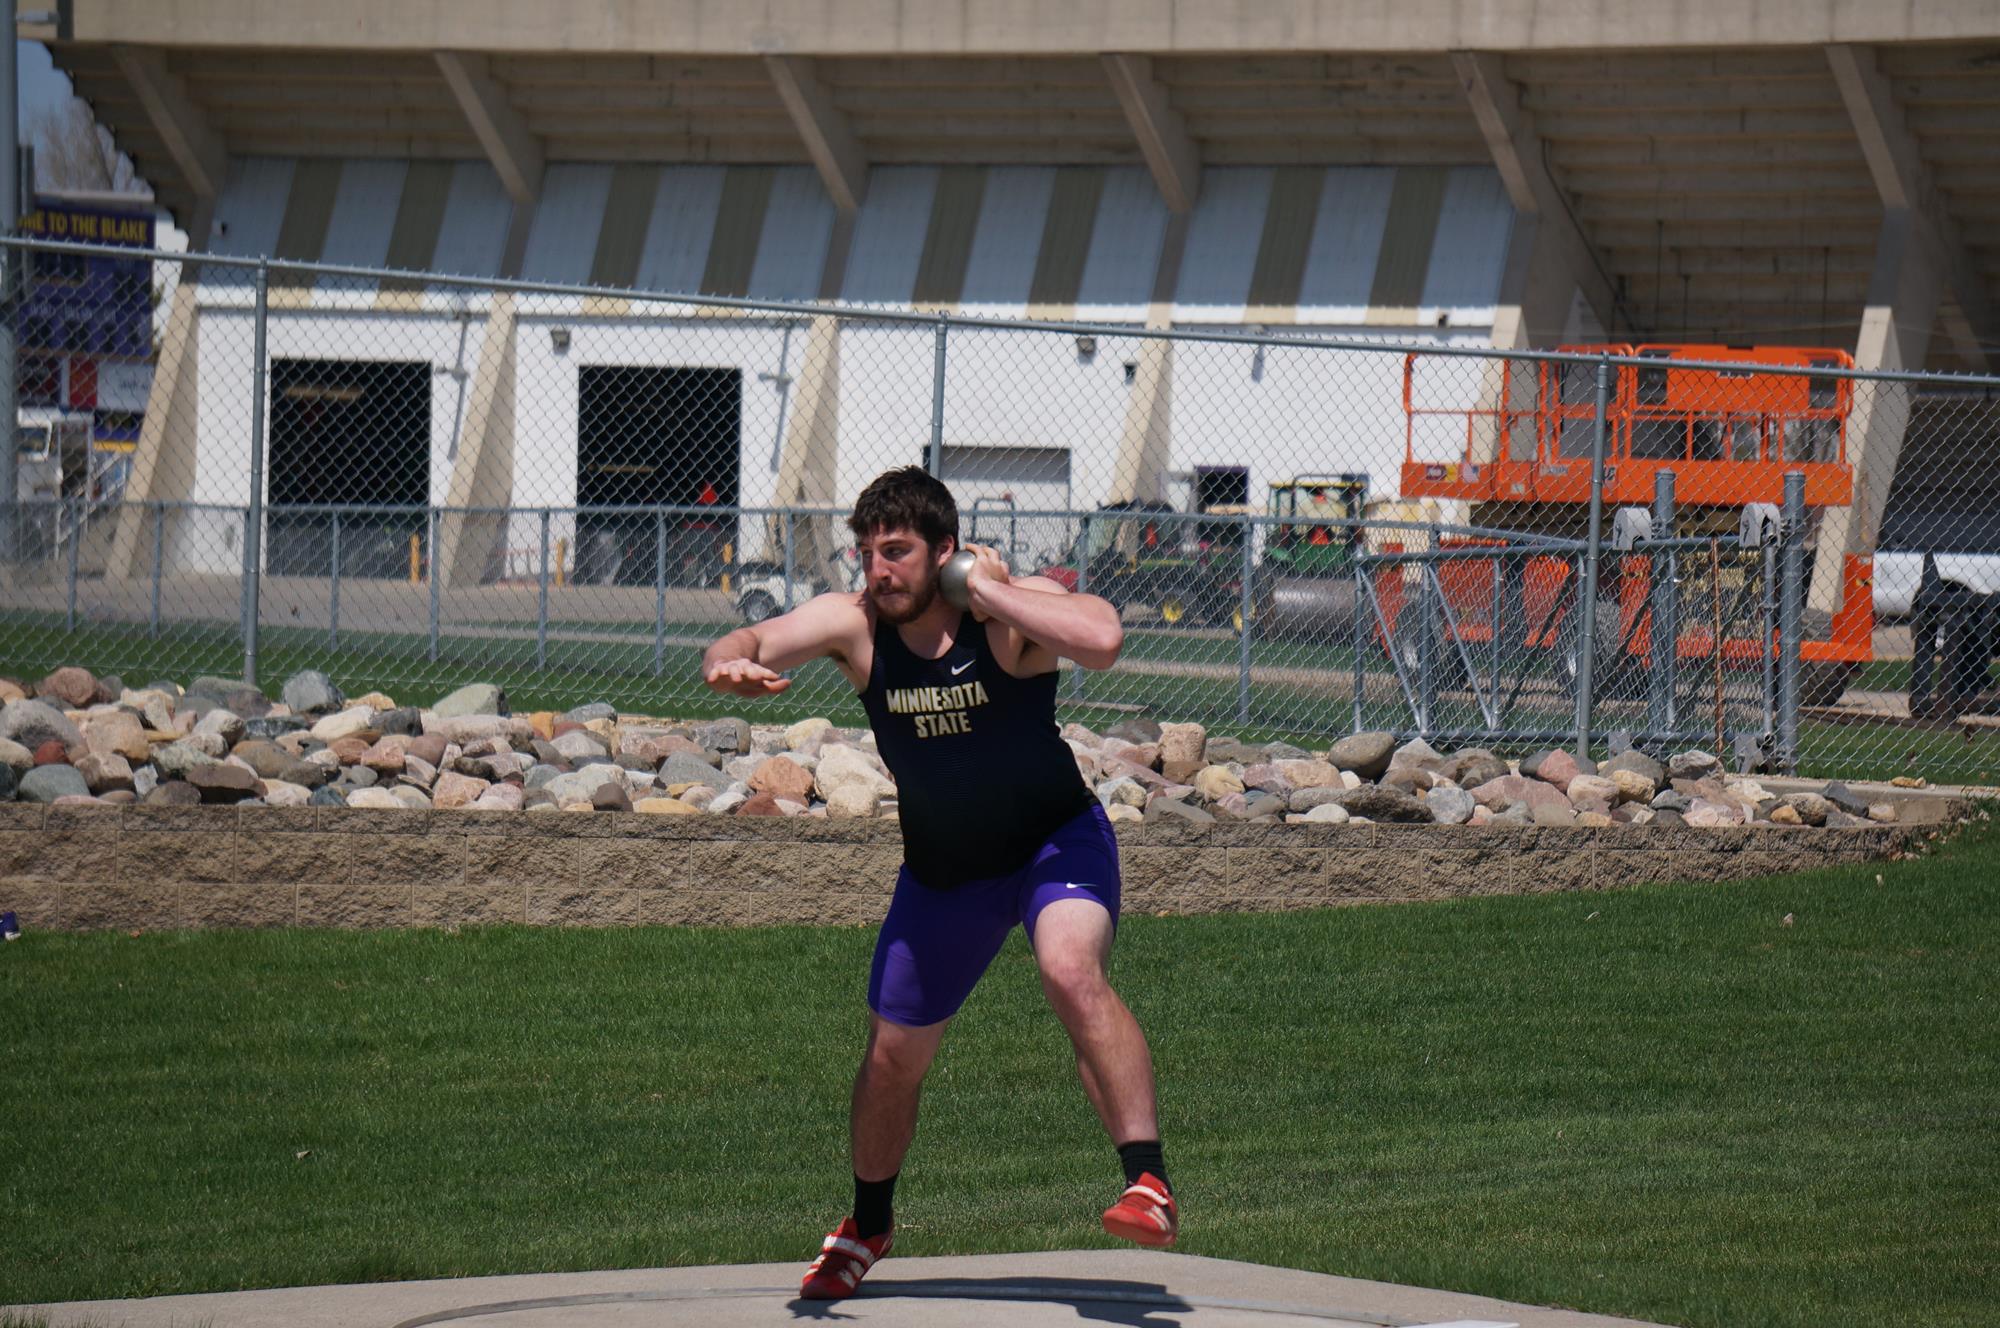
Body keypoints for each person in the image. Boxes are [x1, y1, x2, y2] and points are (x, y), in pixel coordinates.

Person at [701, 466, 1176, 1300]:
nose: (877, 570)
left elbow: (1101, 639)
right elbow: (752, 639)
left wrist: (990, 590)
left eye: (897, 552)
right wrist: (724, 665)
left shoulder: (1002, 621)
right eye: (867, 553)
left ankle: (1148, 1181)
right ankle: (868, 1224)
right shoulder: (857, 626)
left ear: (944, 553)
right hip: (945, 873)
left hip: (1051, 845)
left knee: (1070, 970)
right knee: (891, 1058)